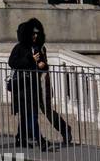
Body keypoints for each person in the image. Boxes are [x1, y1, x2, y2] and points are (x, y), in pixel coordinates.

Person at [9, 18, 72, 149]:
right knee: (28, 112)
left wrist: (42, 64)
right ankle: (27, 138)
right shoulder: (19, 48)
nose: (35, 36)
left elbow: (43, 65)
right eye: (32, 34)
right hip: (25, 86)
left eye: (36, 33)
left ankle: (65, 130)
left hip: (40, 85)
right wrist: (30, 60)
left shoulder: (39, 47)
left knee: (45, 111)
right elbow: (14, 63)